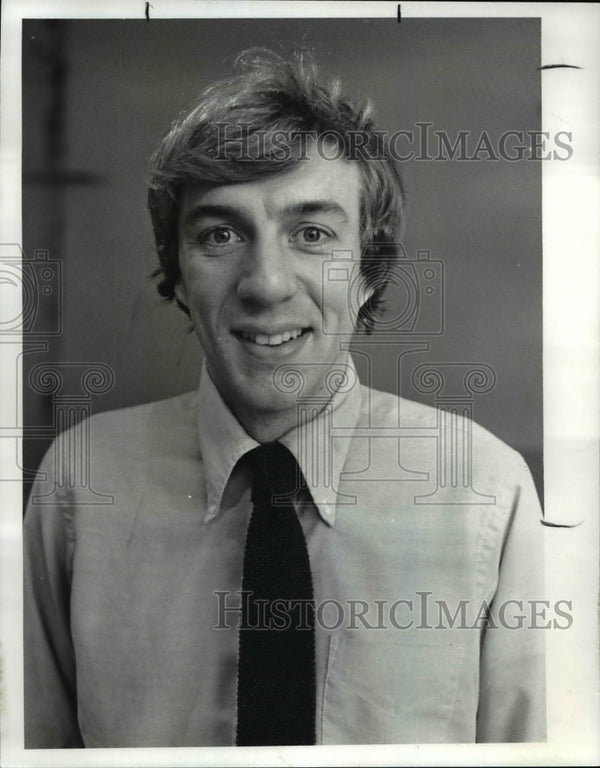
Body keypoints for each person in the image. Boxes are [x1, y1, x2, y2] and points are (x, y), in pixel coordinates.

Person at [23, 48, 545, 748]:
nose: (266, 283)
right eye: (219, 234)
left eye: (312, 234)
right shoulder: (77, 481)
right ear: (176, 273)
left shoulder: (486, 488)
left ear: (369, 272)